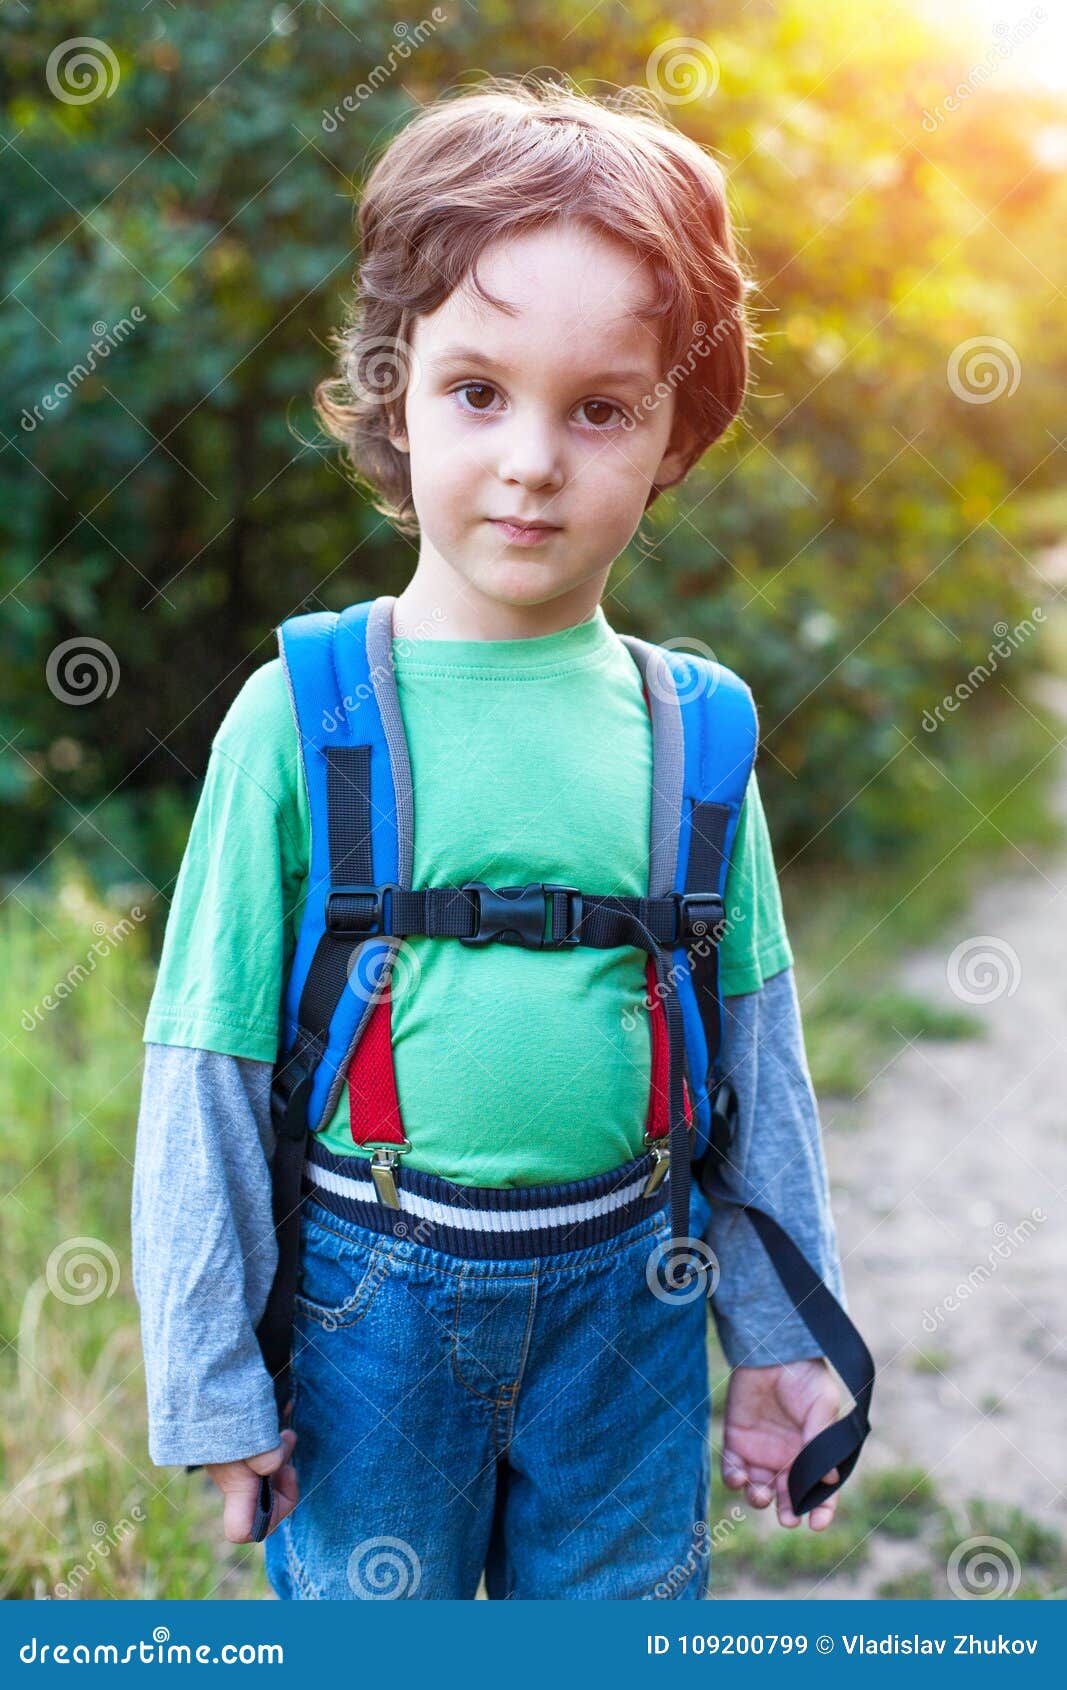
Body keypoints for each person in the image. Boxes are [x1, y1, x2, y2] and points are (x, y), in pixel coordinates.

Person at [132, 75, 850, 1601]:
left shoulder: (697, 732)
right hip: (366, 1315)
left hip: (633, 1307)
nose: (532, 458)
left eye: (600, 406)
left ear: (674, 432)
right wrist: (210, 1384)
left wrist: (783, 1337)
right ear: (392, 390)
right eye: (478, 391)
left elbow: (755, 1062)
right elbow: (206, 1072)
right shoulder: (305, 711)